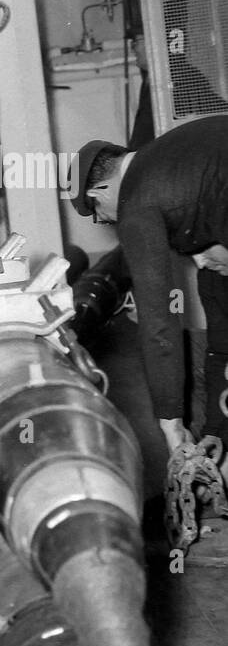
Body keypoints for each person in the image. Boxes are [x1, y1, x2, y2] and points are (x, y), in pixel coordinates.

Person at [68, 116, 228, 453]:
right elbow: (221, 341)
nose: (106, 221)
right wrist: (217, 429)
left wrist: (170, 424)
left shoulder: (137, 205)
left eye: (97, 212)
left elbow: (160, 324)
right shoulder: (177, 157)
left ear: (99, 192)